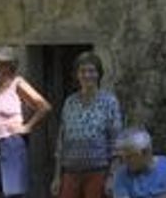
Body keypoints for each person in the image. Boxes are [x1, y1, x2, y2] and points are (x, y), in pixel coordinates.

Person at [0, 46, 52, 198]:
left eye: (4, 63)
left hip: (10, 142)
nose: (0, 66)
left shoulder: (17, 83)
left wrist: (27, 127)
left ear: (12, 65)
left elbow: (44, 107)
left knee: (13, 191)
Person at [51, 51, 122, 198]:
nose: (87, 75)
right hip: (70, 172)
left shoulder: (109, 102)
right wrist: (57, 177)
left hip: (98, 172)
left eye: (92, 71)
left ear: (98, 74)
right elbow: (61, 141)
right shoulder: (70, 102)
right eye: (82, 71)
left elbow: (116, 143)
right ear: (77, 75)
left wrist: (111, 176)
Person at [112, 128, 166, 198]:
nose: (124, 161)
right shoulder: (121, 175)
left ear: (146, 152)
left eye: (129, 157)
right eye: (122, 157)